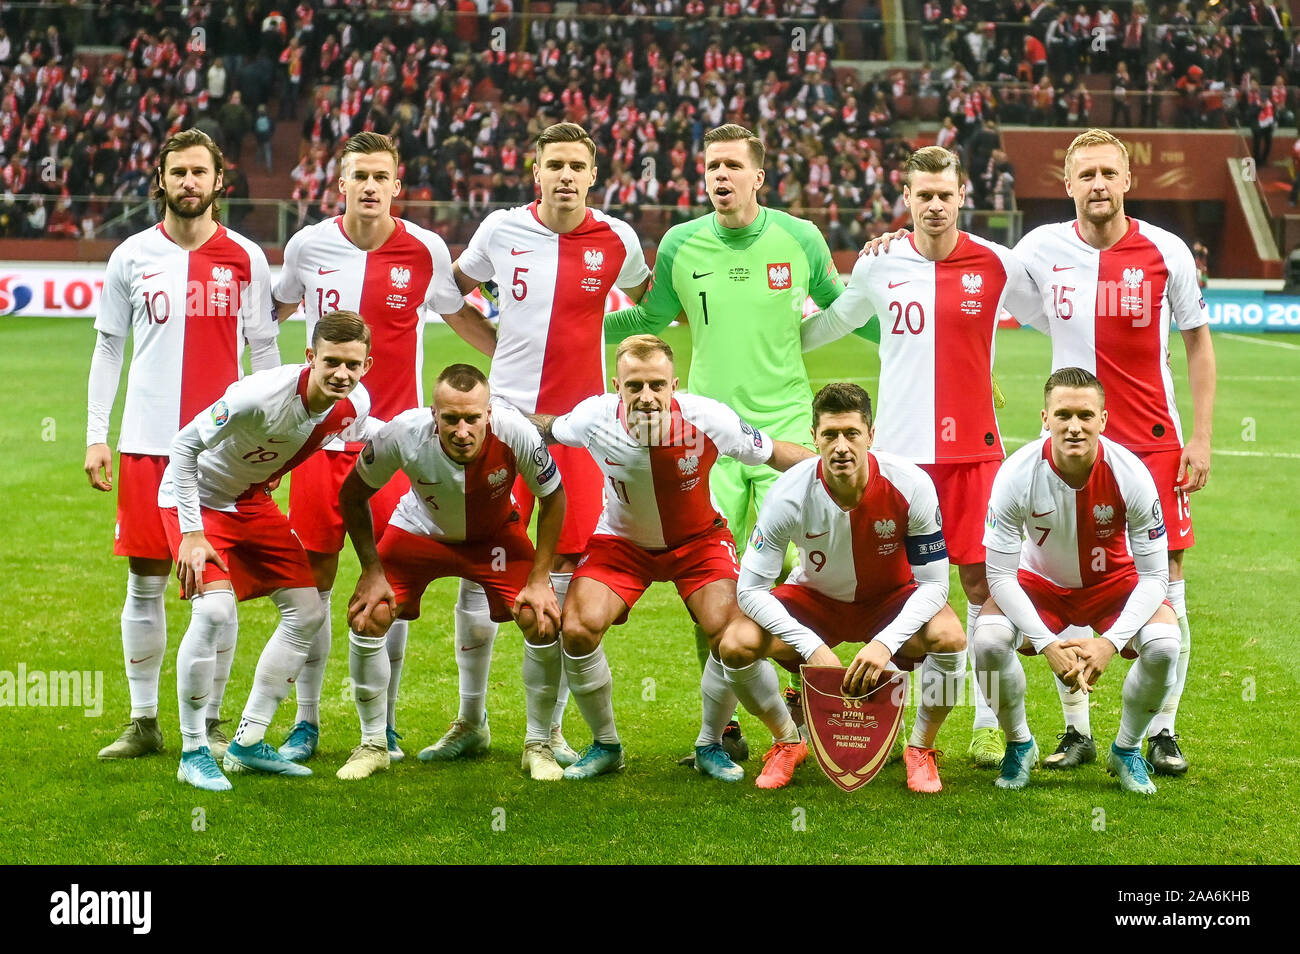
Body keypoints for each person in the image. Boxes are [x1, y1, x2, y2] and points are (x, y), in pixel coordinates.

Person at [603, 123, 846, 759]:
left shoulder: (799, 238)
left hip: (788, 431)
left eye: (733, 165)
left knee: (798, 571)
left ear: (758, 176)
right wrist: (573, 318)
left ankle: (797, 688)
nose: (720, 176)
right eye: (712, 165)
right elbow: (650, 319)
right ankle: (728, 727)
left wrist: (920, 339)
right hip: (707, 435)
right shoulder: (681, 244)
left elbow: (844, 309)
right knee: (708, 580)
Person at [802, 145, 1040, 771]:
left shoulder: (998, 264)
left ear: (963, 195)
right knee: (906, 593)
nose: (935, 204)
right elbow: (833, 323)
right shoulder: (878, 264)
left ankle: (990, 723)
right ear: (905, 199)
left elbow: (1057, 317)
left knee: (985, 587)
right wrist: (765, 335)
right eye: (923, 194)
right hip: (902, 460)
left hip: (976, 457)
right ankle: (906, 732)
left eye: (945, 193)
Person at [272, 131, 492, 765]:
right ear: (339, 184)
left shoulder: (424, 250)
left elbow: (460, 317)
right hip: (316, 442)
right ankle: (306, 722)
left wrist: (519, 366)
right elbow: (270, 311)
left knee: (388, 589)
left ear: (398, 186)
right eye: (358, 176)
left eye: (381, 177)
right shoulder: (307, 246)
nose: (369, 186)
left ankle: (385, 726)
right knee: (312, 585)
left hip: (394, 448)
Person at [438, 122, 650, 766]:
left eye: (575, 166)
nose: (564, 175)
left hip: (579, 434)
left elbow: (648, 304)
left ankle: (545, 733)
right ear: (536, 172)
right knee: (480, 576)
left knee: (558, 580)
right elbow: (451, 291)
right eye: (553, 164)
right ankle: (470, 722)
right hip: (499, 427)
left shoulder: (617, 240)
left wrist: (615, 359)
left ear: (593, 176)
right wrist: (498, 346)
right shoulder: (500, 229)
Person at [1011, 129, 1215, 776]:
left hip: (1154, 444)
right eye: (1085, 175)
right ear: (1067, 185)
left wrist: (1201, 437)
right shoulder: (1040, 249)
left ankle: (1161, 730)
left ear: (1127, 181)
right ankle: (1077, 731)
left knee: (1169, 582)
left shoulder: (1166, 250)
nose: (1098, 184)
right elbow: (979, 274)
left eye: (1108, 173)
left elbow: (1198, 344)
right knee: (1071, 579)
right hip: (1072, 444)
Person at [532, 335, 813, 780]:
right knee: (578, 629)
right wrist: (498, 419)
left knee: (729, 634)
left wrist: (847, 469)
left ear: (674, 385)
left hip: (699, 542)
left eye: (657, 386)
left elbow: (773, 452)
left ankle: (714, 744)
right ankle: (605, 745)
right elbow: (548, 427)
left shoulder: (709, 417)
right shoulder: (593, 416)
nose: (647, 397)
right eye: (635, 386)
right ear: (616, 386)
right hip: (623, 545)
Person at [85, 128, 280, 763]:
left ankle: (215, 721)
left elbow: (267, 351)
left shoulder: (247, 257)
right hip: (147, 442)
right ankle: (144, 721)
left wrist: (272, 442)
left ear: (220, 181)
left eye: (201, 172)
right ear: (162, 181)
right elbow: (108, 347)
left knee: (216, 589)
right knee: (145, 579)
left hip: (223, 451)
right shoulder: (131, 256)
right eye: (179, 173)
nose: (190, 183)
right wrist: (96, 436)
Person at [161, 311, 374, 791]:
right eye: (332, 362)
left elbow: (349, 438)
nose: (342, 373)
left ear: (367, 365)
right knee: (214, 613)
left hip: (250, 503)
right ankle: (193, 750)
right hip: (193, 500)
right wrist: (193, 534)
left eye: (353, 364)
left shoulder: (354, 404)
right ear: (310, 358)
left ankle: (248, 741)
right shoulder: (256, 396)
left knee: (308, 611)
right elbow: (182, 448)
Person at [720, 382, 966, 791]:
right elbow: (750, 590)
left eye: (852, 433)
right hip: (815, 601)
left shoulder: (912, 484)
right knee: (736, 643)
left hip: (890, 600)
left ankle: (920, 748)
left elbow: (936, 585)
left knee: (950, 637)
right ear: (814, 438)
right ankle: (788, 740)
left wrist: (885, 643)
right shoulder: (787, 493)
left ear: (871, 435)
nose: (841, 447)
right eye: (830, 434)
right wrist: (810, 646)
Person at [336, 364, 568, 781]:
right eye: (450, 419)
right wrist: (371, 570)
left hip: (494, 538)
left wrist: (539, 579)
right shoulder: (401, 433)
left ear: (489, 414)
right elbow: (352, 495)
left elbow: (554, 497)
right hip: (419, 533)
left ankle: (539, 744)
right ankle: (373, 743)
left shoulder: (516, 432)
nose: (462, 430)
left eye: (472, 418)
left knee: (543, 619)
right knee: (368, 614)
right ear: (433, 413)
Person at [973, 368, 1180, 794]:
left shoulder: (1131, 474)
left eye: (1085, 415)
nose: (1074, 426)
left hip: (1113, 586)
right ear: (1045, 418)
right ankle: (1019, 743)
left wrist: (1110, 642)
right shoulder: (1016, 473)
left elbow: (1157, 576)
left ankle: (1127, 748)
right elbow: (998, 574)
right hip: (1039, 583)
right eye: (1063, 414)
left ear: (1103, 420)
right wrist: (1046, 643)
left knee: (1163, 647)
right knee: (988, 641)